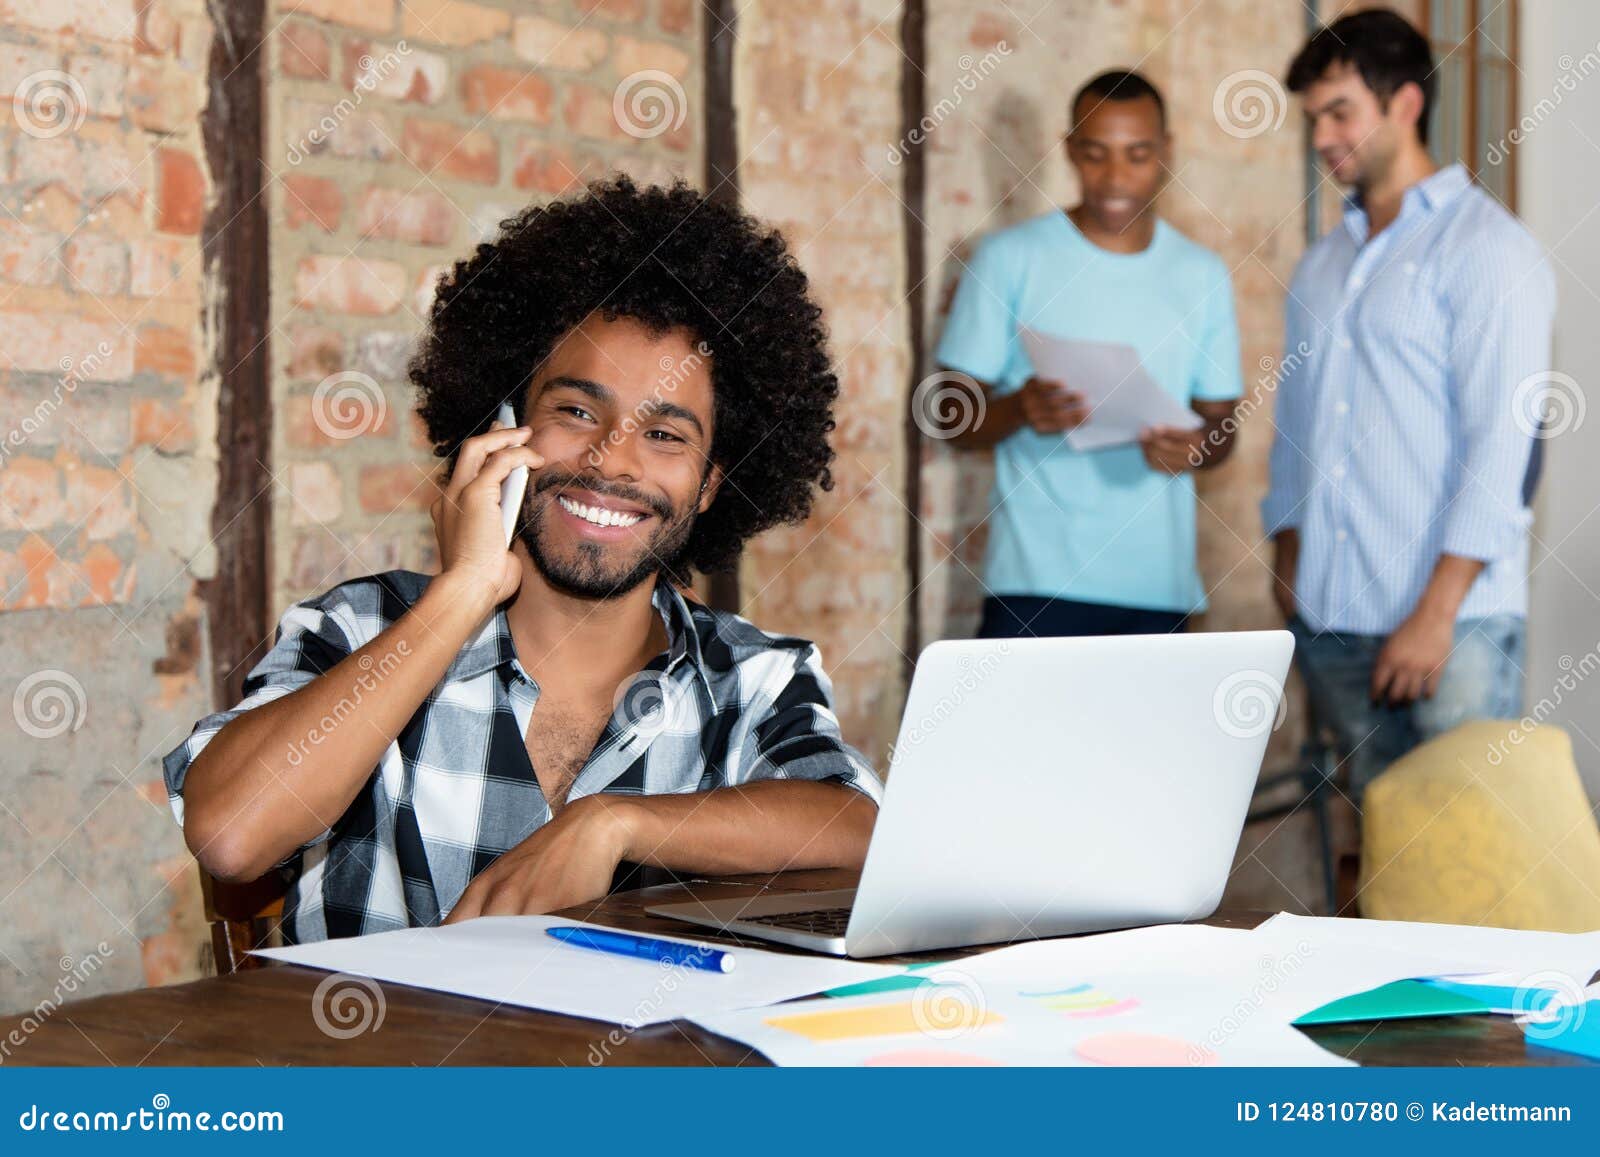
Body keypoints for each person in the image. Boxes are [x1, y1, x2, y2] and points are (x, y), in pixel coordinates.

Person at [162, 177, 882, 942]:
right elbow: (231, 835)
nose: (613, 460)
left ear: (708, 486)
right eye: (576, 411)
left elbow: (861, 834)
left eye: (665, 435)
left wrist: (611, 825)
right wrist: (464, 591)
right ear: (503, 429)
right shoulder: (361, 627)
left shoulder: (751, 677)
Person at [1263, 9, 1556, 794]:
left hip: (1450, 629)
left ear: (1404, 104)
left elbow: (1506, 445)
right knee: (1377, 857)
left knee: (1468, 873)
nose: (1323, 137)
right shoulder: (1323, 264)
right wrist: (1287, 557)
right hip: (1332, 619)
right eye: (1313, 118)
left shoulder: (1490, 250)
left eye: (1339, 112)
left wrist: (1436, 613)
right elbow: (1296, 424)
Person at [934, 69, 1243, 639]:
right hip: (1033, 585)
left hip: (1160, 588)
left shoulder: (1202, 274)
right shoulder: (1009, 258)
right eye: (1096, 155)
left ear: (1166, 153)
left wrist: (1198, 448)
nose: (1116, 177)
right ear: (1069, 150)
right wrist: (1020, 409)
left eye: (1137, 155)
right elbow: (951, 415)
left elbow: (1224, 425)